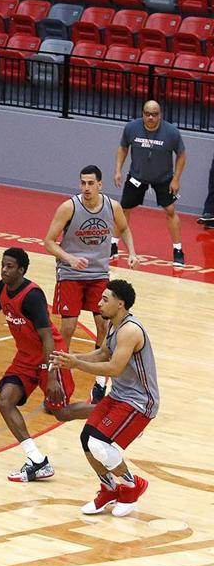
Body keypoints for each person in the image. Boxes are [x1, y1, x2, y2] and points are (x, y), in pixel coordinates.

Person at [0, 247, 94, 483]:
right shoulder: (1, 287)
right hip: (25, 358)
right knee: (4, 400)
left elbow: (48, 337)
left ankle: (115, 411)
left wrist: (51, 376)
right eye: (3, 265)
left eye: (9, 266)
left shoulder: (32, 296)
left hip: (50, 355)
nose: (4, 270)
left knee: (60, 412)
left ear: (21, 270)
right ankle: (37, 461)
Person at [50, 279, 156, 517]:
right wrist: (72, 359)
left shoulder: (130, 330)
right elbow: (103, 352)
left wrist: (77, 363)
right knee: (87, 438)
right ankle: (108, 489)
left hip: (139, 401)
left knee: (99, 443)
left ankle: (131, 485)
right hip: (120, 395)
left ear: (120, 304)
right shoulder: (113, 325)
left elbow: (114, 368)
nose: (99, 303)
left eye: (104, 299)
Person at [43, 165, 141, 402]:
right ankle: (58, 380)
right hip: (71, 273)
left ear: (100, 185)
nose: (86, 188)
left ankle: (100, 384)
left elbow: (125, 228)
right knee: (68, 327)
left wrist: (132, 252)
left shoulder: (112, 206)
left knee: (103, 326)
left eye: (90, 183)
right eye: (82, 183)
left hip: (99, 274)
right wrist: (70, 258)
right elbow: (48, 241)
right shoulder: (69, 207)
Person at [113, 100, 187, 266]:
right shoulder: (131, 128)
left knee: (170, 210)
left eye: (154, 114)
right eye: (147, 114)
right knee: (123, 209)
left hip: (163, 178)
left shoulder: (171, 132)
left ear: (160, 115)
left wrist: (176, 179)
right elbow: (123, 147)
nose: (151, 117)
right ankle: (113, 244)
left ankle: (178, 250)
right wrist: (118, 170)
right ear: (142, 114)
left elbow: (181, 155)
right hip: (137, 176)